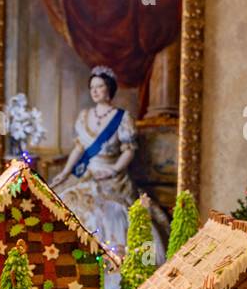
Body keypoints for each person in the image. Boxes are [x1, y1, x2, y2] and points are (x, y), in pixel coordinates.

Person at [48, 66, 166, 257]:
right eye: (92, 87)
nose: (94, 91)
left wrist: (114, 169)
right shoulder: (84, 117)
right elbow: (79, 148)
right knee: (70, 203)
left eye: (100, 86)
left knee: (113, 212)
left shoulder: (122, 118)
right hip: (87, 173)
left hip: (113, 177)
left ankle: (114, 262)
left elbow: (128, 150)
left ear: (109, 89)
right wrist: (65, 172)